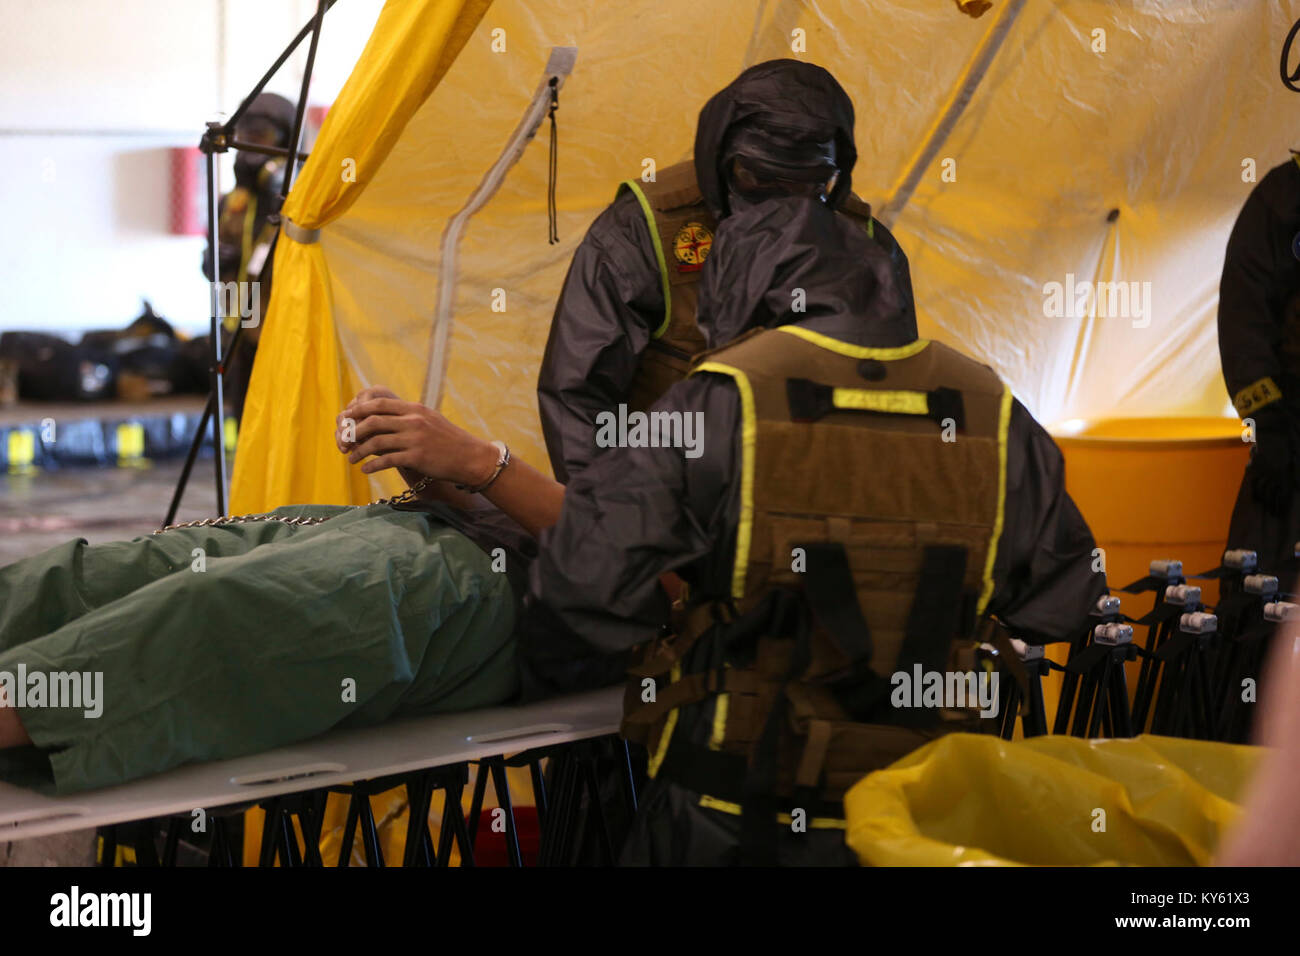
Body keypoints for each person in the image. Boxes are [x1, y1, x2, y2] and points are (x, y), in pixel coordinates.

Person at [537, 58, 916, 483]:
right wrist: (612, 522)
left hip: (806, 500)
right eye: (757, 177)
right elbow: (578, 399)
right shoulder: (646, 230)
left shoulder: (864, 245)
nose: (780, 205)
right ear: (717, 155)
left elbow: (894, 398)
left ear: (835, 175)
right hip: (668, 499)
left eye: (807, 186)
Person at [1219, 155, 1300, 579]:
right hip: (1292, 448)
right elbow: (1243, 326)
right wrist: (1269, 429)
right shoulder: (1280, 202)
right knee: (1264, 604)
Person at [201, 92, 296, 421]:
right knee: (245, 420)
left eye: (262, 136)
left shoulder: (298, 205)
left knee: (281, 422)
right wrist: (214, 261)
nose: (251, 147)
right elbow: (208, 263)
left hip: (284, 334)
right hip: (238, 334)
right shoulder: (230, 204)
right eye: (246, 136)